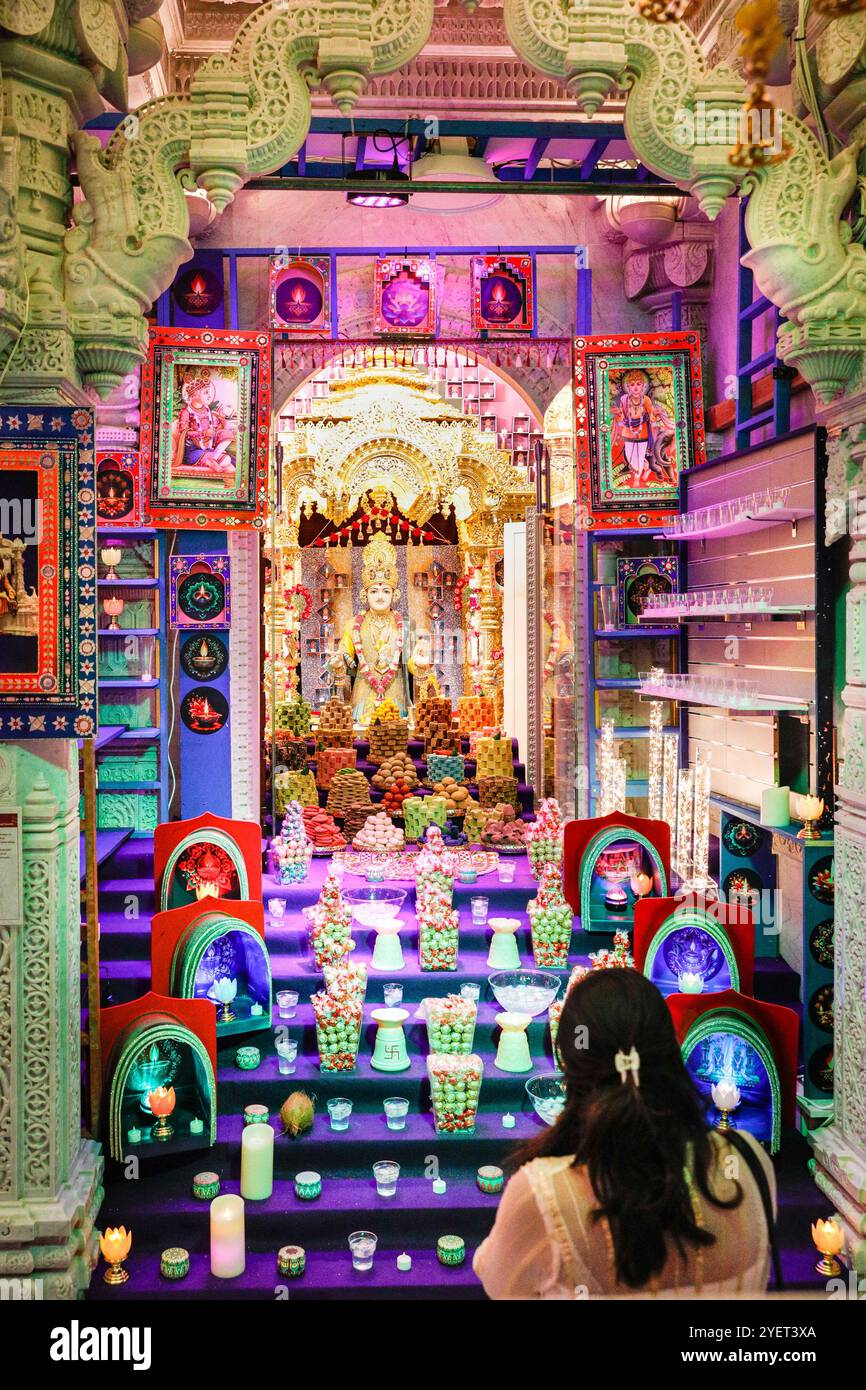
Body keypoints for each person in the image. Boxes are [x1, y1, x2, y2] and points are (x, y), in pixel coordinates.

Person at [473, 970, 776, 1299]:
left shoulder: (542, 1192)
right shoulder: (749, 1162)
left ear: (572, 1068)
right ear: (673, 1048)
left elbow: (497, 1281)